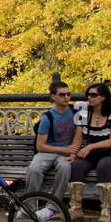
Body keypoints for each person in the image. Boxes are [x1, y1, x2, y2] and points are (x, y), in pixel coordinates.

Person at [69, 82, 111, 222]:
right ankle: (76, 208)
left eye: (94, 95)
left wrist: (90, 147)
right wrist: (73, 153)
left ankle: (106, 210)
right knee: (76, 166)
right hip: (92, 154)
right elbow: (78, 137)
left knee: (104, 166)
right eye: (88, 95)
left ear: (103, 97)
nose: (90, 98)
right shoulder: (83, 114)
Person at [26, 81, 80, 213]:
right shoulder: (47, 117)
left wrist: (72, 152)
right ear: (53, 97)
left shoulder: (76, 111)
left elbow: (99, 103)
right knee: (34, 169)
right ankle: (29, 208)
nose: (66, 97)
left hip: (65, 154)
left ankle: (53, 207)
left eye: (68, 94)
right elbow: (40, 146)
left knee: (64, 168)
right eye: (62, 95)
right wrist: (64, 149)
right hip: (48, 151)